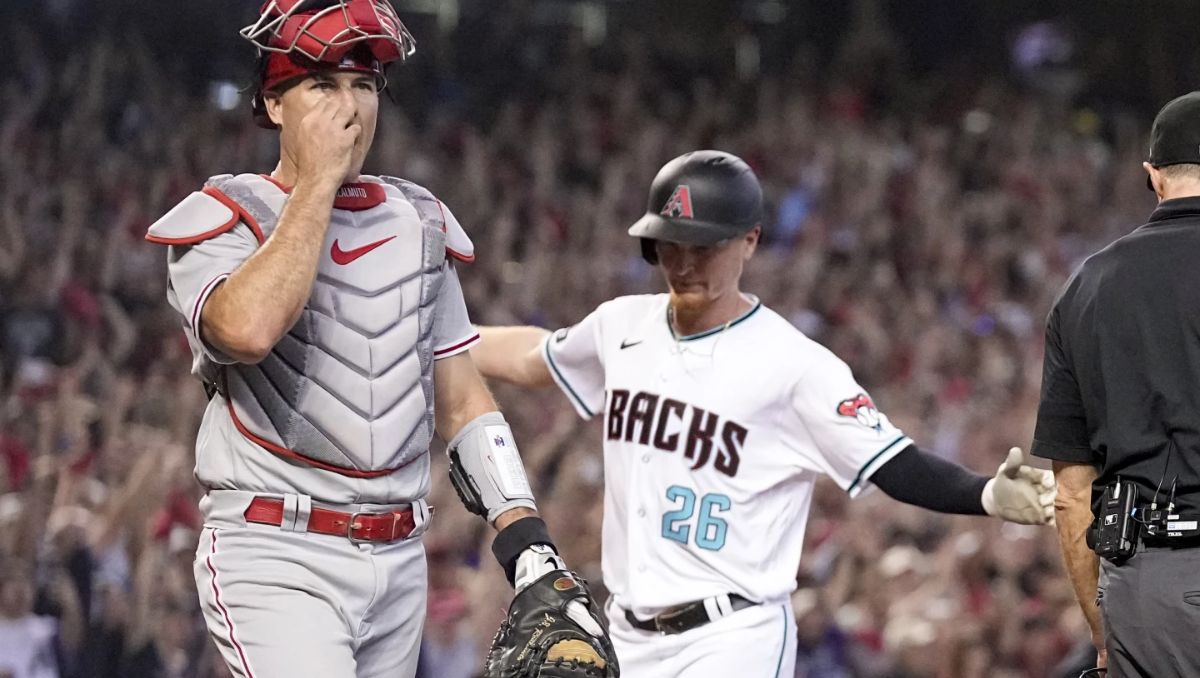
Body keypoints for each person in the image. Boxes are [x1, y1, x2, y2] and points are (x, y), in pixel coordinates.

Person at [145, 2, 613, 676]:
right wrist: (318, 182)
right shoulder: (228, 216)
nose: (350, 107)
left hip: (398, 560)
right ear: (273, 104)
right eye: (322, 85)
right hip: (276, 551)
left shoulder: (418, 221)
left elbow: (462, 399)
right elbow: (246, 331)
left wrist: (528, 544)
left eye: (363, 85)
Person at [470, 149, 1056, 677]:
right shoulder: (622, 324)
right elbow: (532, 356)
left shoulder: (794, 364)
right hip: (626, 633)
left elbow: (894, 464)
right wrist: (437, 338)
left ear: (749, 241)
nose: (684, 263)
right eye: (671, 245)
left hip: (733, 635)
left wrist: (983, 494)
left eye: (703, 247)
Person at [1035, 91, 1200, 678]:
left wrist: (1102, 634)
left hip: (1150, 592)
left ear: (1152, 175)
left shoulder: (1087, 287)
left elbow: (1071, 493)